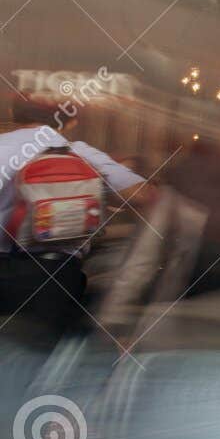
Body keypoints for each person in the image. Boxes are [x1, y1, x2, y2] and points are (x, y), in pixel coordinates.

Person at [0, 95, 147, 347]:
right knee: (39, 358)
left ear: (16, 117)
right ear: (67, 124)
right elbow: (143, 195)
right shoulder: (79, 152)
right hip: (56, 277)